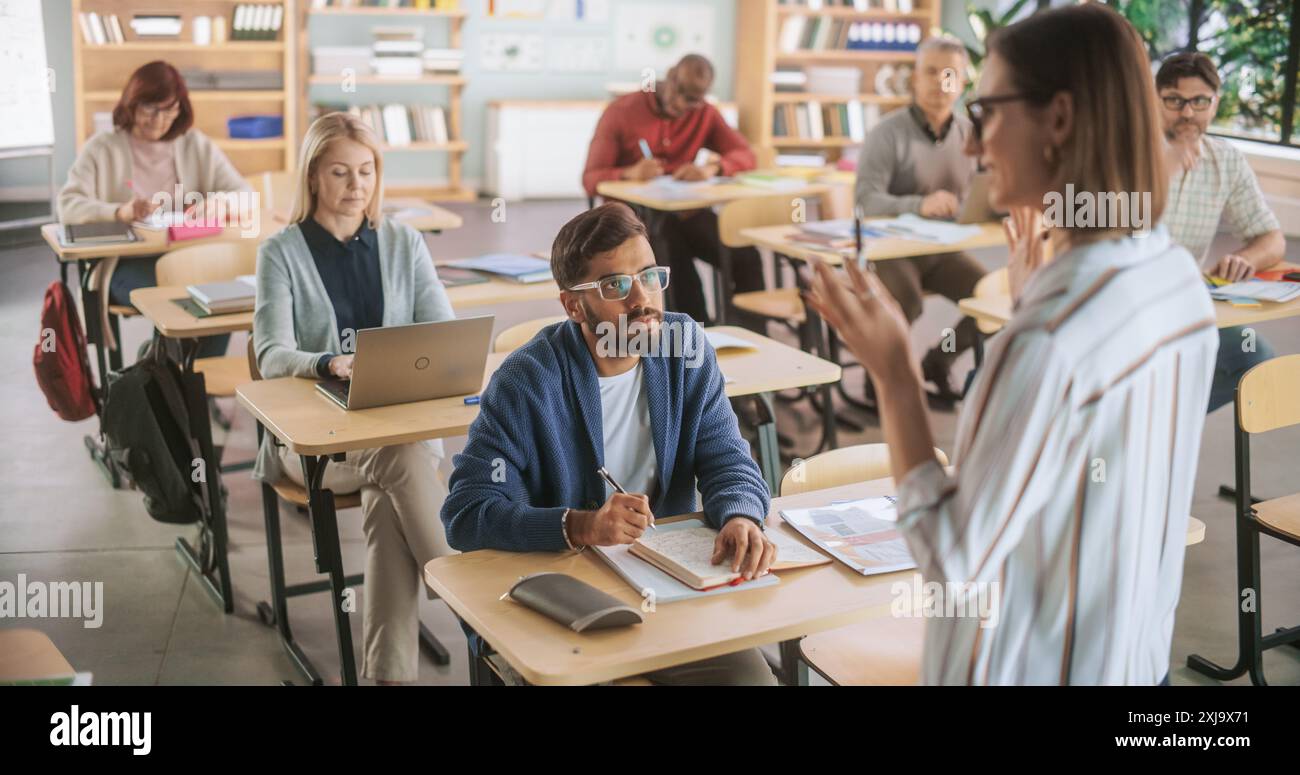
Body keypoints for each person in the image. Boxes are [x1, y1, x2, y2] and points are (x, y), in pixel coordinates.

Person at [804, 4, 1217, 685]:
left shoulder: (1048, 337)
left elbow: (953, 557)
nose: (971, 145)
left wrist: (897, 377)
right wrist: (1035, 299)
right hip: (1128, 660)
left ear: (1056, 119)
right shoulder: (1174, 277)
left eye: (986, 112)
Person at [442, 202, 778, 685]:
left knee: (753, 682)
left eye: (649, 276)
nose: (642, 299)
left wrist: (742, 514)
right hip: (565, 599)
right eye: (615, 285)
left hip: (667, 591)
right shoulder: (526, 381)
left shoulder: (683, 346)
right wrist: (580, 526)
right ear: (574, 305)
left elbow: (728, 458)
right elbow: (467, 514)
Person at [252, 113, 456, 684]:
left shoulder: (401, 240)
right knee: (404, 458)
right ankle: (467, 591)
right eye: (340, 172)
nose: (356, 185)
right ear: (314, 177)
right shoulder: (281, 253)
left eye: (366, 171)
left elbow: (443, 330)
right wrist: (325, 363)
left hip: (393, 434)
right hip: (316, 445)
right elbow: (270, 353)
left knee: (389, 502)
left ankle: (388, 677)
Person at [58, 60, 251, 359]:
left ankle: (190, 386)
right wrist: (119, 212)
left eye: (169, 110)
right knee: (183, 300)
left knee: (218, 297)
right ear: (131, 105)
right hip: (124, 265)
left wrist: (218, 202)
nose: (159, 120)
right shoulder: (102, 148)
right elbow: (68, 206)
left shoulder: (194, 145)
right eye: (150, 109)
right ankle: (167, 377)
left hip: (188, 257)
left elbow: (243, 193)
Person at [582, 54, 765, 328]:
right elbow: (590, 178)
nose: (681, 104)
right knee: (672, 260)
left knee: (745, 255)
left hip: (685, 211)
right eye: (678, 92)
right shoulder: (622, 111)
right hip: (634, 220)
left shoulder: (705, 113)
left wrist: (712, 169)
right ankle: (698, 337)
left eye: (692, 100)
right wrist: (630, 173)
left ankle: (750, 337)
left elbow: (745, 154)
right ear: (669, 75)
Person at [854, 35, 986, 402]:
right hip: (889, 251)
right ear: (914, 77)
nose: (939, 83)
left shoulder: (972, 135)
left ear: (961, 82)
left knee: (994, 298)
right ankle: (884, 378)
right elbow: (865, 200)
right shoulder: (886, 134)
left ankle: (938, 361)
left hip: (941, 249)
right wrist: (919, 204)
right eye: (930, 72)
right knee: (906, 302)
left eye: (949, 74)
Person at [1156, 51, 1286, 413]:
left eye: (1199, 101)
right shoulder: (1126, 153)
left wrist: (1245, 258)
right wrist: (1157, 172)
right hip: (1127, 310)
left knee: (1254, 357)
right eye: (1174, 100)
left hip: (1187, 309)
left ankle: (1162, 421)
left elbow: (1271, 238)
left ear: (1215, 103)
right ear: (1155, 100)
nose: (1187, 112)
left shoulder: (1225, 160)